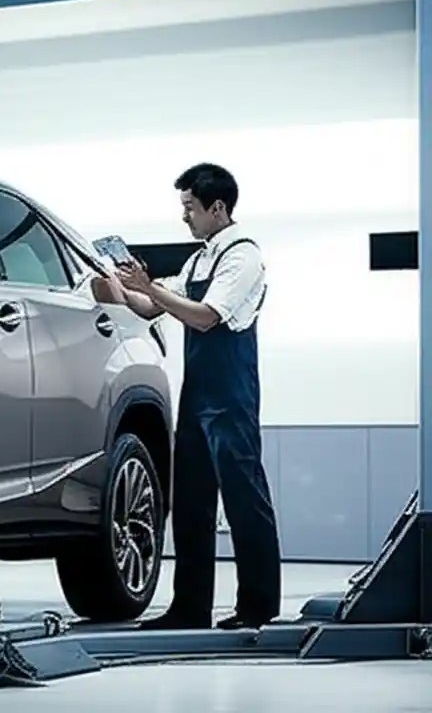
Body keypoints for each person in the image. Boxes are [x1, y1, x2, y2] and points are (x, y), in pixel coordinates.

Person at [110, 162, 282, 630]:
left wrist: (152, 290)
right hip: (198, 395)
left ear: (217, 207)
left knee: (244, 497)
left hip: (231, 394)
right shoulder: (199, 258)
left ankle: (258, 606)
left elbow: (206, 316)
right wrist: (127, 290)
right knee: (190, 502)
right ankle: (189, 607)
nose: (184, 216)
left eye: (189, 207)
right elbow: (153, 307)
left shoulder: (241, 255)